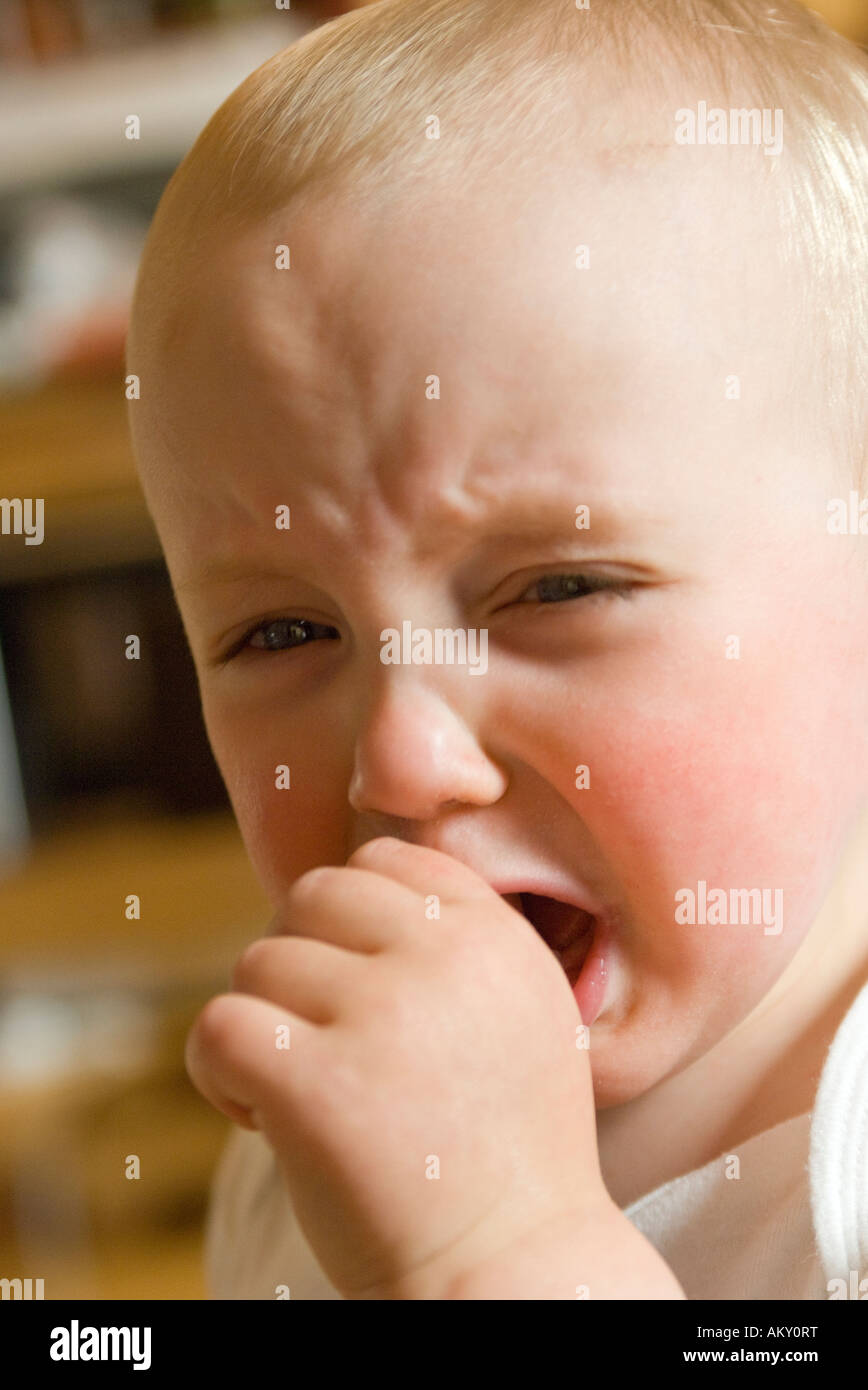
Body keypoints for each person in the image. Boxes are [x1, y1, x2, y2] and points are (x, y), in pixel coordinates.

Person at [126, 0, 868, 1298]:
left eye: (558, 586)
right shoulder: (306, 1136)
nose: (399, 757)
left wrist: (501, 1256)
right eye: (285, 629)